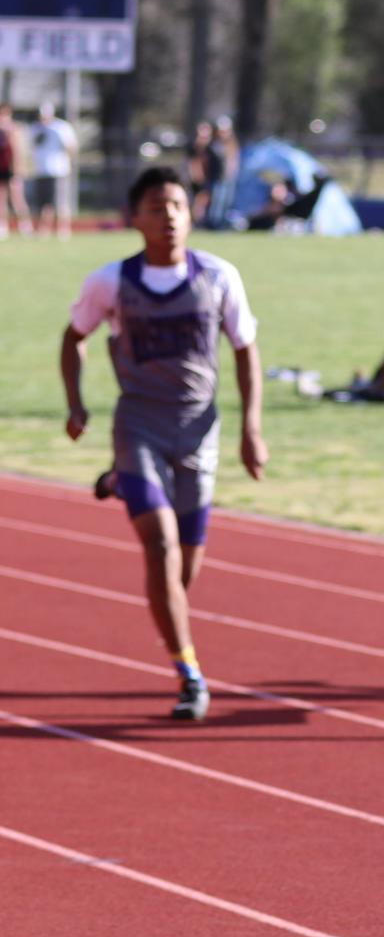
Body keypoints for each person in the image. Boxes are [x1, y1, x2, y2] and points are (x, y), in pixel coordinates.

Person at [59, 167, 266, 721]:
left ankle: (121, 484)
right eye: (155, 206)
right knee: (160, 549)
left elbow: (245, 350)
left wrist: (251, 429)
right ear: (135, 218)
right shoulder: (110, 282)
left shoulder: (219, 275)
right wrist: (76, 404)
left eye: (176, 204)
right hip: (139, 424)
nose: (168, 215)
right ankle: (190, 675)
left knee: (183, 571)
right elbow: (73, 338)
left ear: (191, 213)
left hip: (199, 430)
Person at [28, 102, 77, 239]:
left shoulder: (61, 127)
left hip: (58, 170)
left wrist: (69, 163)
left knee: (60, 202)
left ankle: (63, 229)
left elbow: (71, 146)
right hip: (40, 170)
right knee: (43, 203)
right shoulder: (35, 128)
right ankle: (44, 230)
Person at [0, 106, 23, 238]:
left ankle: (24, 225)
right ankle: (2, 226)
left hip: (11, 168)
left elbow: (17, 150)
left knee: (17, 197)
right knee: (1, 198)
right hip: (1, 167)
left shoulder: (13, 129)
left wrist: (17, 168)